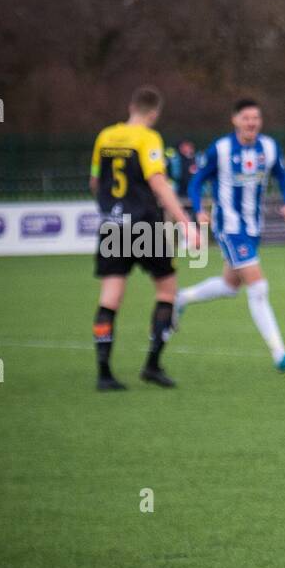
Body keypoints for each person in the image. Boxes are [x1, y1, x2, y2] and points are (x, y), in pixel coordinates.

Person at [176, 98, 285, 373]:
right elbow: (197, 181)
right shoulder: (220, 149)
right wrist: (198, 210)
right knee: (258, 287)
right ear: (235, 120)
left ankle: (181, 298)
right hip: (229, 227)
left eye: (255, 118)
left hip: (253, 226)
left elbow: (283, 177)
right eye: (246, 118)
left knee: (230, 286)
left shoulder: (269, 147)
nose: (251, 123)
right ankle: (280, 355)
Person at [89, 86, 198, 391]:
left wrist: (109, 206)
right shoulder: (148, 138)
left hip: (112, 225)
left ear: (130, 106)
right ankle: (152, 364)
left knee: (110, 298)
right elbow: (159, 184)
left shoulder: (105, 136)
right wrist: (185, 223)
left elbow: (95, 181)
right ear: (154, 113)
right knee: (166, 293)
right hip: (145, 225)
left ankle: (104, 373)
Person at [167, 140, 198, 210]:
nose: (188, 148)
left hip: (191, 192)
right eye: (185, 146)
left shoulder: (195, 159)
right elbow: (173, 175)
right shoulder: (175, 159)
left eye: (189, 147)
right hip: (179, 191)